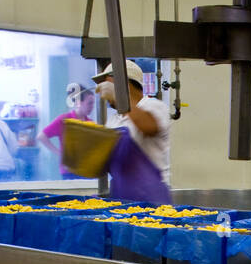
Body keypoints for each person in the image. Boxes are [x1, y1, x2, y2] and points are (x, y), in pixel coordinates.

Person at [92, 60, 171, 205]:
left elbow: (149, 127)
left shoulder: (153, 107)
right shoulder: (114, 120)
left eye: (109, 84)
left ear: (125, 85)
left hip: (152, 200)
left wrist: (121, 98)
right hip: (121, 198)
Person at [37, 84, 96, 178]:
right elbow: (41, 136)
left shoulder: (91, 123)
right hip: (70, 171)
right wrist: (59, 153)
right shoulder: (64, 120)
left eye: (93, 103)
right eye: (89, 103)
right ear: (79, 102)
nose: (92, 106)